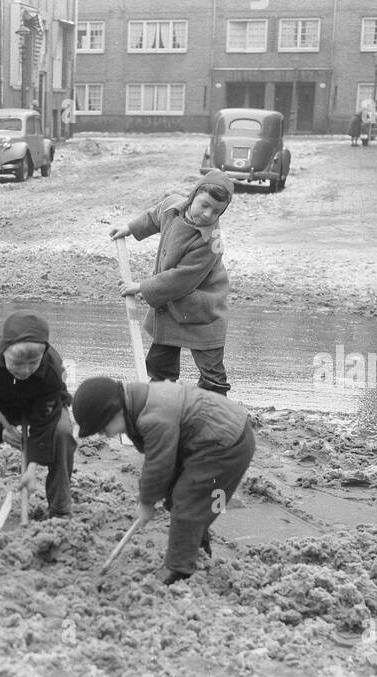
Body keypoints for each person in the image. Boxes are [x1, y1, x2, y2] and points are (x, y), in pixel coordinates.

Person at [71, 375, 255, 584]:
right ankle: (197, 545)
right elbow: (157, 459)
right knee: (176, 496)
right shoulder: (135, 403)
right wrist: (151, 497)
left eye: (103, 428)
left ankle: (179, 568)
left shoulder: (153, 416)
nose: (104, 435)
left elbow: (159, 464)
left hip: (226, 443)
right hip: (201, 441)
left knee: (188, 500)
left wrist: (146, 502)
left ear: (116, 411)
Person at [109, 172, 234, 395]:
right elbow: (154, 216)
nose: (207, 214)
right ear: (193, 195)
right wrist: (130, 228)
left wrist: (141, 286)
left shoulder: (211, 241)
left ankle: (215, 407)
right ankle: (161, 401)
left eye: (217, 211)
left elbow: (180, 280)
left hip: (204, 308)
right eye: (204, 205)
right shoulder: (172, 207)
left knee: (211, 372)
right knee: (161, 364)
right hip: (171, 305)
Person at [0, 310, 76, 518]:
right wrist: (2, 429)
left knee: (62, 433)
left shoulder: (52, 368)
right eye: (17, 363)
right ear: (3, 350)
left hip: (43, 407)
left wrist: (32, 467)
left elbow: (45, 418)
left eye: (33, 363)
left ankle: (60, 508)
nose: (25, 370)